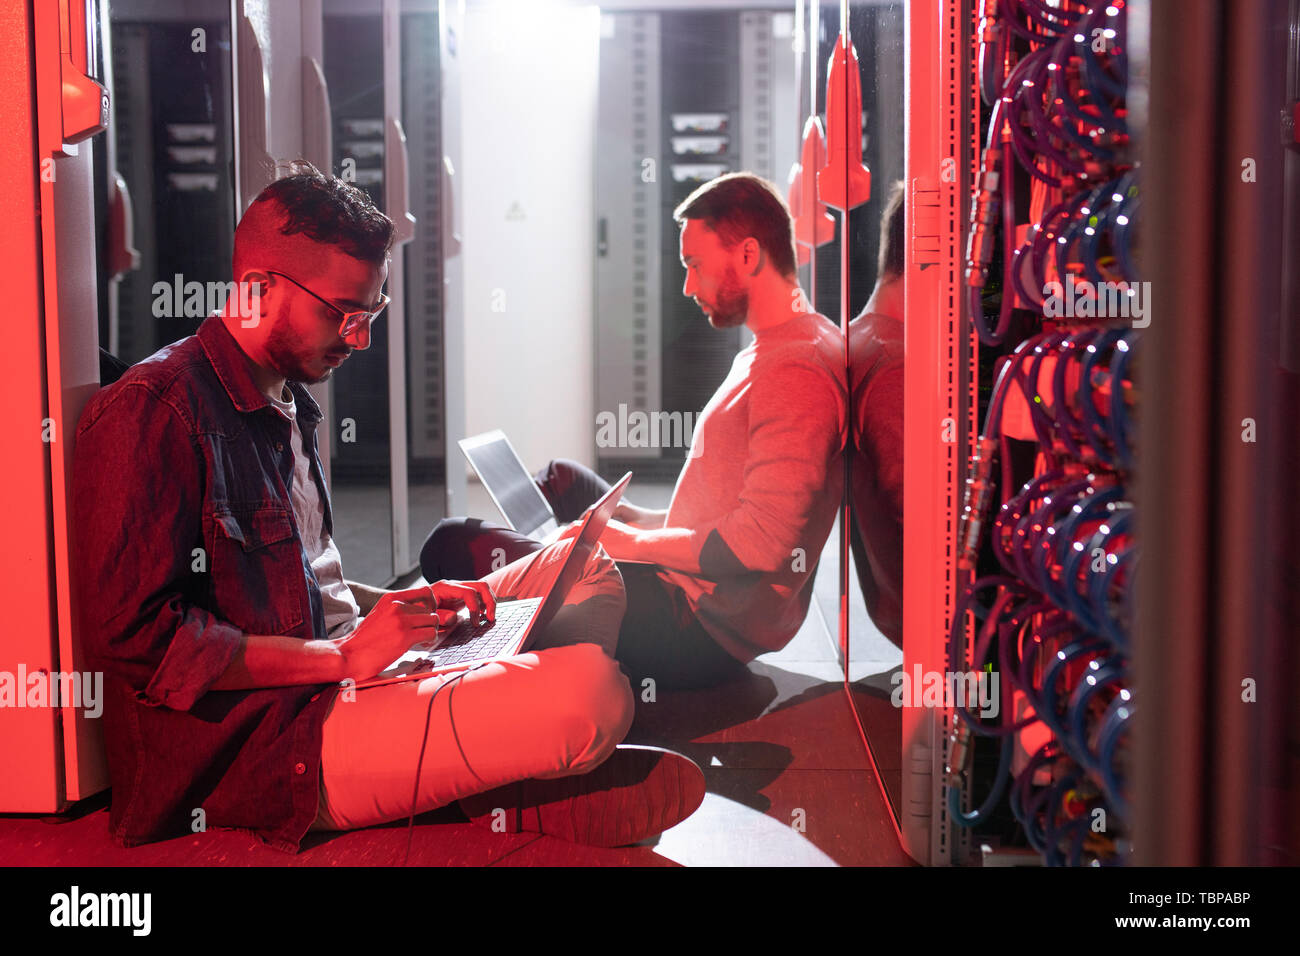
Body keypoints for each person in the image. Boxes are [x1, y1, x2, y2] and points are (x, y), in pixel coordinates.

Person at [69, 160, 703, 854]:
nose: (360, 336)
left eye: (370, 312)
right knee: (594, 693)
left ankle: (490, 757)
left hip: (349, 676)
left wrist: (412, 608)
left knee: (586, 571)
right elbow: (141, 642)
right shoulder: (153, 409)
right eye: (339, 311)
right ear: (254, 290)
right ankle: (506, 777)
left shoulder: (284, 400)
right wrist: (338, 661)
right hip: (276, 743)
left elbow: (305, 585)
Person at [423, 172, 847, 690]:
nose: (688, 286)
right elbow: (727, 509)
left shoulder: (795, 370)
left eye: (694, 265)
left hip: (694, 623)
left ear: (748, 255)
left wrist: (631, 544)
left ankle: (531, 576)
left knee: (449, 544)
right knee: (563, 480)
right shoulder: (779, 344)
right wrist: (638, 521)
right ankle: (544, 559)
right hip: (690, 589)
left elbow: (760, 545)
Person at [847, 179, 906, 646]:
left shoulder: (858, 341)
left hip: (890, 609)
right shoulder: (894, 365)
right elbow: (927, 525)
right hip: (923, 616)